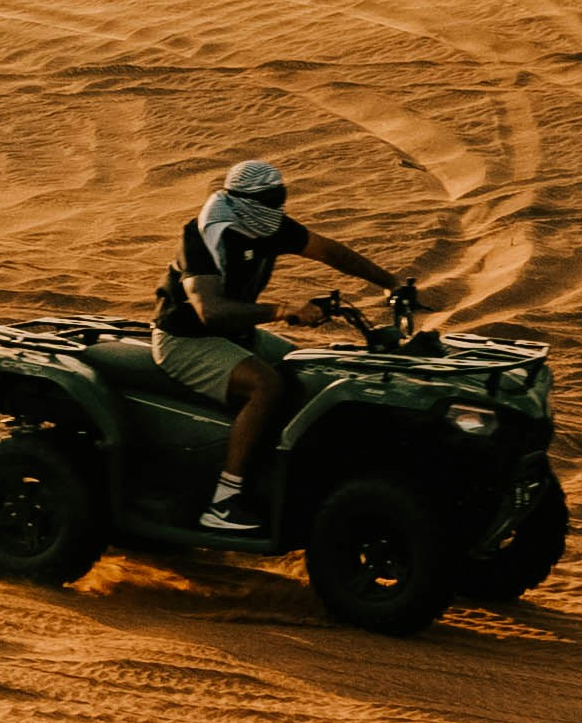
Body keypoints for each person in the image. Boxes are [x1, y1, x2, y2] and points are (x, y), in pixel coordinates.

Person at [152, 156, 417, 539]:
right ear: (246, 201)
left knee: (306, 370)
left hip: (238, 335)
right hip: (186, 340)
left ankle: (278, 474)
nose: (278, 207)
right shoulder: (204, 237)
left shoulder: (266, 223)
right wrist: (281, 310)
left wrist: (390, 282)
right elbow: (209, 312)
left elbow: (330, 251)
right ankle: (223, 502)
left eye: (281, 197)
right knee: (267, 385)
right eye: (271, 199)